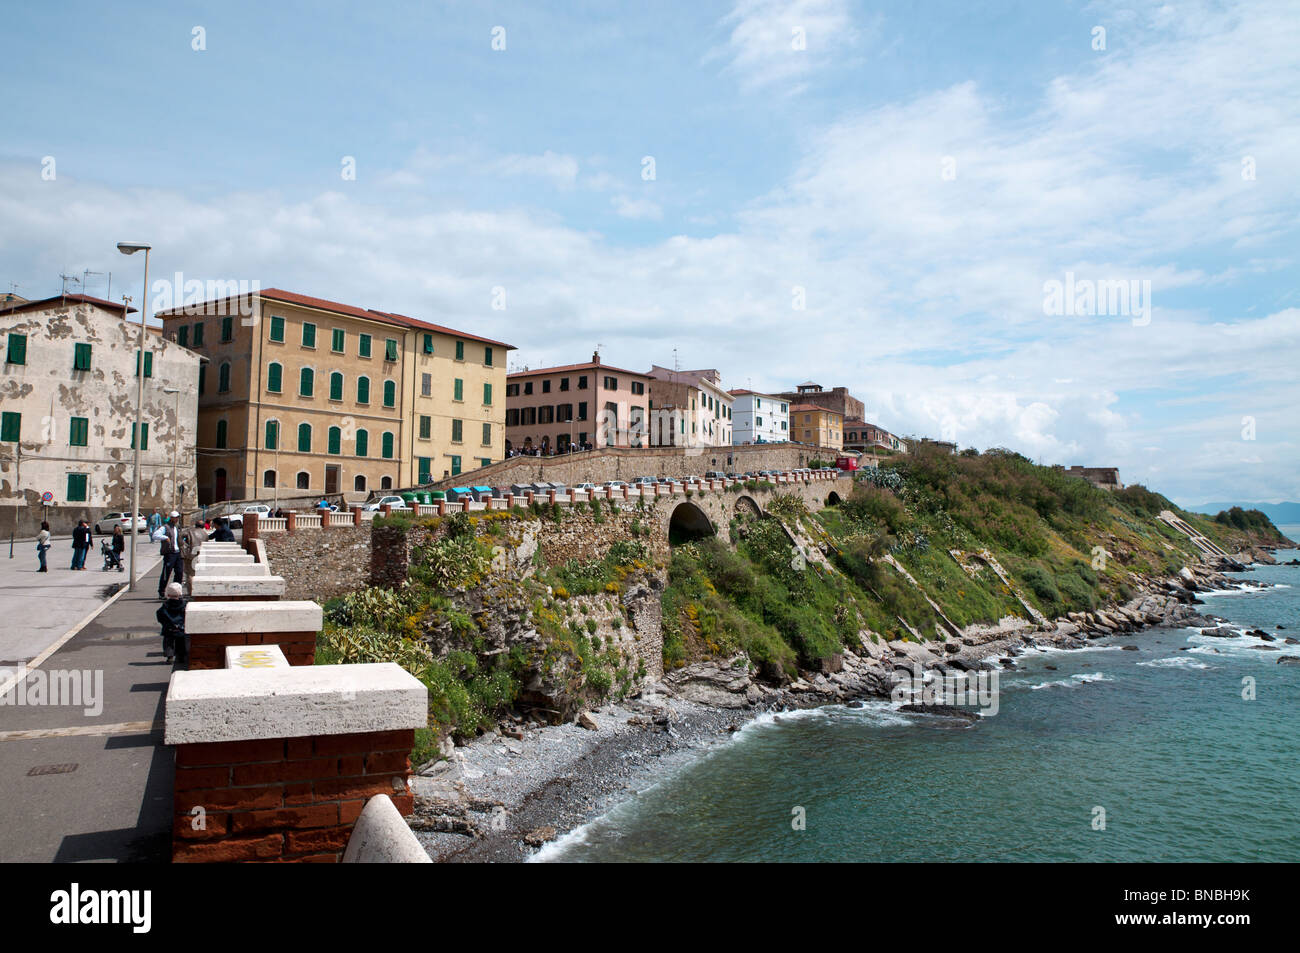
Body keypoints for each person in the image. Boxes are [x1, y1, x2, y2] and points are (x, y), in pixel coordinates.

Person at [156, 581, 187, 666]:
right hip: (181, 627)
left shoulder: (165, 605)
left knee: (168, 642)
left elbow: (160, 615)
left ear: (168, 594)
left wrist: (163, 623)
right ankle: (181, 657)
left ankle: (169, 656)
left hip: (168, 627)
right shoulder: (183, 605)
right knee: (180, 642)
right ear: (180, 593)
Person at [157, 513, 184, 598]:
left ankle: (176, 591)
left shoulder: (177, 527)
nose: (176, 519)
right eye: (175, 518)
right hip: (170, 553)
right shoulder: (165, 527)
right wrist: (165, 538)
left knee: (179, 572)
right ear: (171, 518)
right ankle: (161, 591)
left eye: (177, 517)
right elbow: (155, 535)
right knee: (166, 573)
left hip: (178, 552)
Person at [180, 518, 207, 594]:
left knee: (190, 574)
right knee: (198, 574)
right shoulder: (205, 534)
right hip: (201, 555)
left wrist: (183, 546)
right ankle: (198, 591)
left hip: (191, 554)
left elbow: (180, 535)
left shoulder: (190, 531)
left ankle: (191, 592)